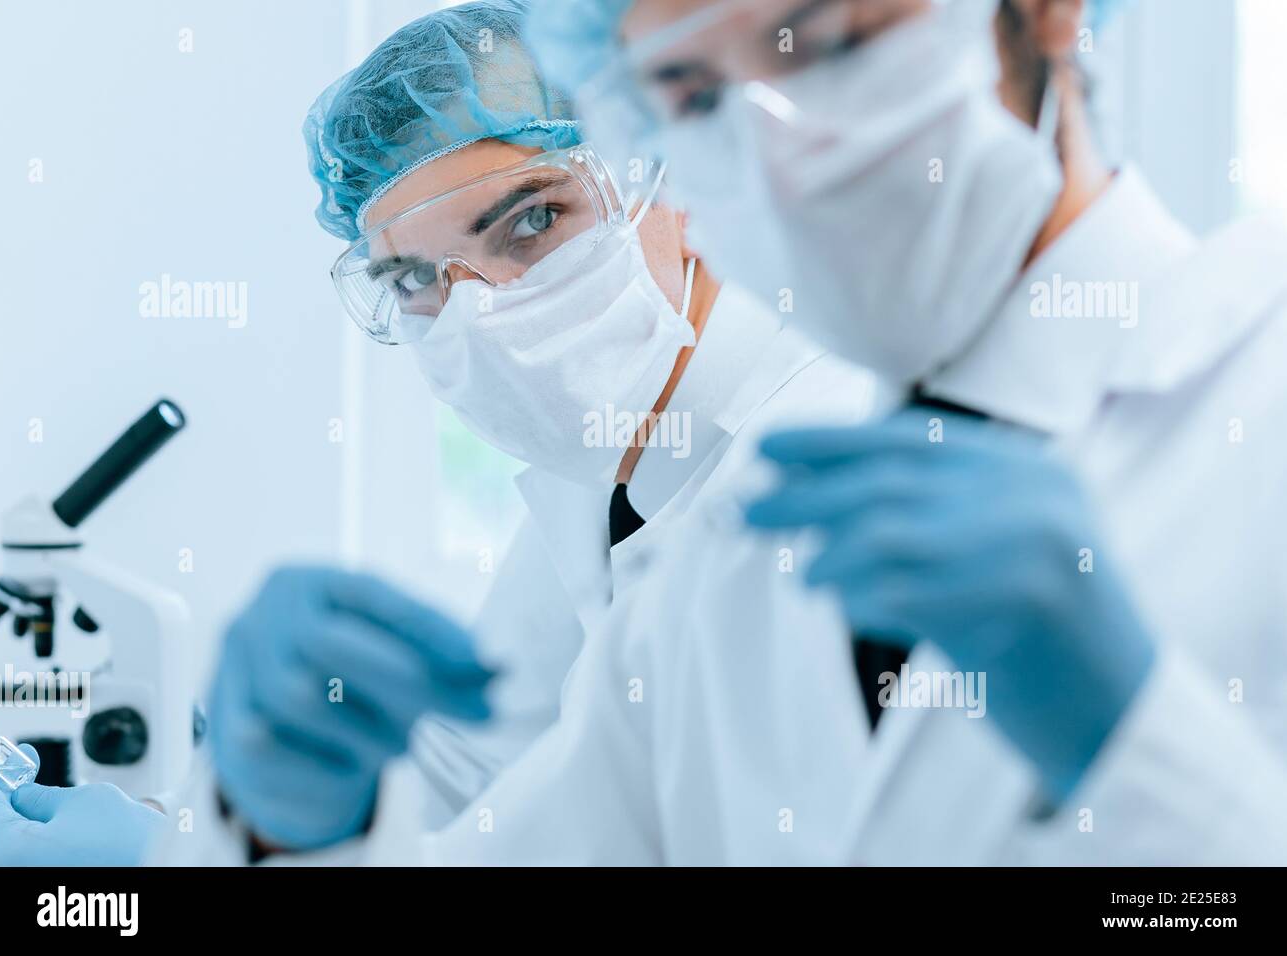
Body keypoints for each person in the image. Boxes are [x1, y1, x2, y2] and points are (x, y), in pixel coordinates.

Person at [0, 0, 876, 864]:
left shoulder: (812, 475)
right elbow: (465, 775)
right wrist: (206, 824)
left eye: (533, 220)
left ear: (673, 185)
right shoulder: (601, 473)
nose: (479, 316)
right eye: (415, 276)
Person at [515, 0, 1287, 863]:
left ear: (1044, 15)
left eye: (830, 45)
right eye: (695, 99)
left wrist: (1134, 747)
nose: (775, 153)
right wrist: (347, 826)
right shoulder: (730, 543)